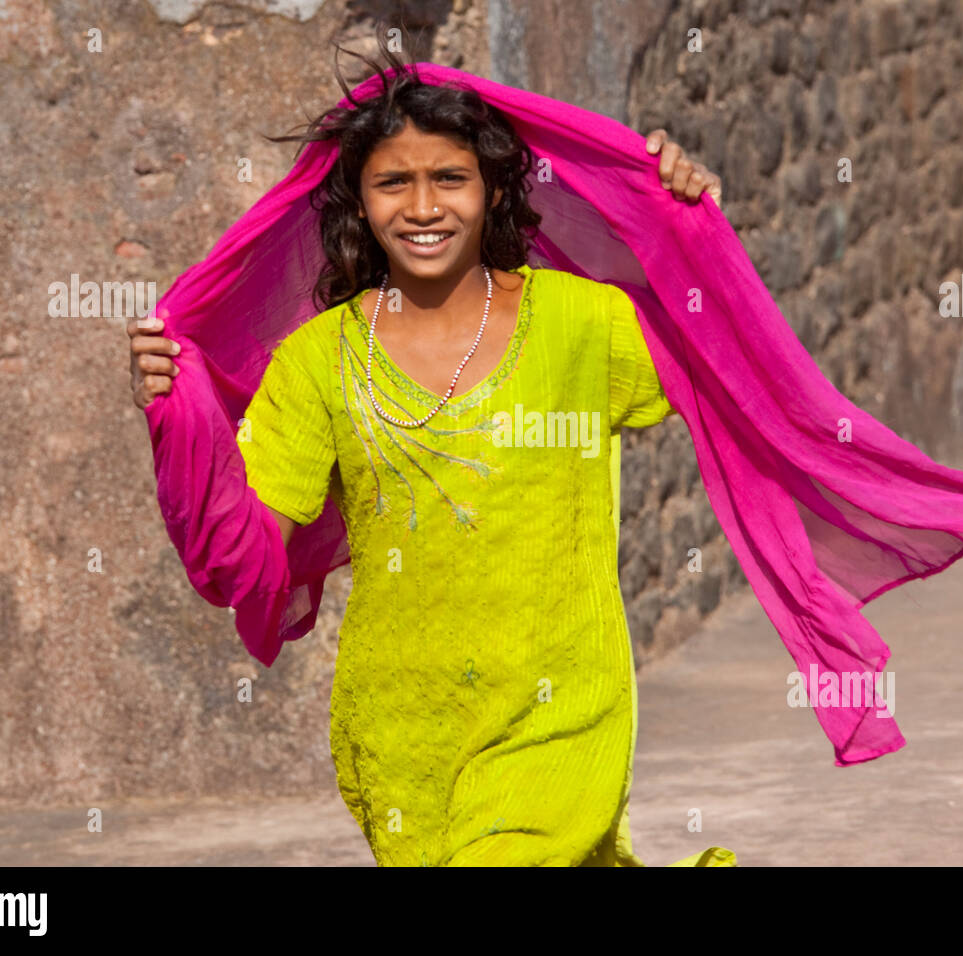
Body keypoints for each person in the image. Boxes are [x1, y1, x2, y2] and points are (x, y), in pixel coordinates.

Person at [128, 40, 733, 867]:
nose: (423, 207)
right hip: (404, 733)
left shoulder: (583, 324)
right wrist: (177, 420)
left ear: (491, 189)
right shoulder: (318, 362)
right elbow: (249, 557)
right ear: (359, 201)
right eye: (392, 182)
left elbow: (715, 342)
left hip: (561, 708)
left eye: (449, 178)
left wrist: (685, 213)